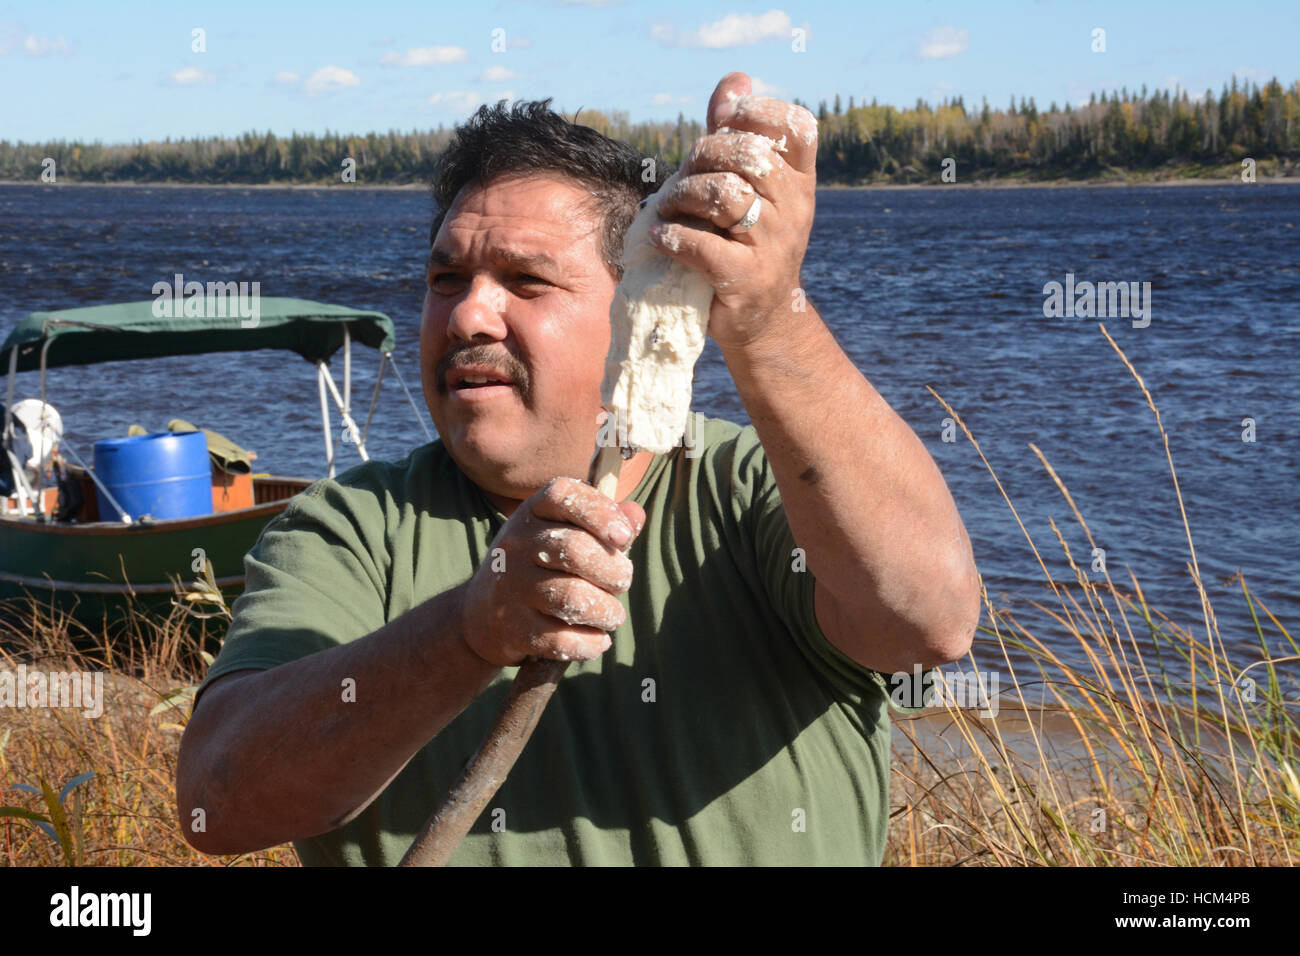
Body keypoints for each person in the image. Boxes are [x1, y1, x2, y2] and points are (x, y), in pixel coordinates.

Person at [176, 72, 980, 866]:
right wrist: (468, 632)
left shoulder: (754, 488)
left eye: (525, 280)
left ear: (638, 305)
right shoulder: (352, 528)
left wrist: (770, 323)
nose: (466, 314)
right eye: (445, 279)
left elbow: (928, 621)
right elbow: (217, 802)